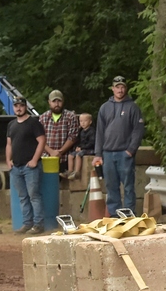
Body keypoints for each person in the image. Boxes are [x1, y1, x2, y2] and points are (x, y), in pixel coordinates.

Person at [92, 76, 144, 216]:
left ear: (125, 89)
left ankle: (128, 215)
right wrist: (98, 154)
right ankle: (115, 216)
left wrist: (131, 150)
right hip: (107, 153)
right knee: (111, 187)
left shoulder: (133, 107)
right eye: (117, 87)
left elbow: (138, 130)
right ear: (112, 88)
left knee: (128, 187)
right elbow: (99, 131)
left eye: (122, 87)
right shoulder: (104, 107)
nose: (120, 90)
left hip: (125, 153)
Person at [6, 97, 46, 235]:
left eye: (21, 105)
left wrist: (34, 160)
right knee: (23, 197)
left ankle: (38, 224)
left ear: (26, 107)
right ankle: (27, 224)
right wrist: (8, 160)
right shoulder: (11, 124)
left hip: (30, 167)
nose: (18, 108)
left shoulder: (34, 123)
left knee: (34, 195)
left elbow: (42, 141)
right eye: (16, 106)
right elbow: (9, 144)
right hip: (16, 167)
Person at [39, 89, 80, 180]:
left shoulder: (70, 116)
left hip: (65, 159)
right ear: (49, 102)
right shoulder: (43, 117)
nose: (57, 104)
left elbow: (73, 136)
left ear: (63, 101)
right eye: (54, 101)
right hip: (46, 158)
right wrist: (51, 152)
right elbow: (39, 138)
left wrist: (60, 152)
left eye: (59, 101)